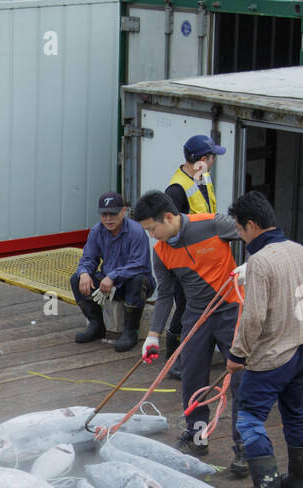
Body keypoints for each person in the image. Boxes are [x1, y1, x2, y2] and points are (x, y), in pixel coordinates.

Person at [132, 190, 246, 470]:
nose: (151, 235)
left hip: (231, 312)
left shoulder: (213, 224)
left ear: (169, 217)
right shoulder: (160, 251)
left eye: (152, 228)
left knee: (242, 383)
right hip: (195, 317)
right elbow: (165, 295)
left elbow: (253, 235)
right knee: (192, 379)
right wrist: (153, 335)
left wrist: (250, 265)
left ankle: (245, 449)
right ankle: (197, 436)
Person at [224, 191, 303, 488]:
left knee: (248, 420)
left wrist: (238, 354)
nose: (238, 235)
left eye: (238, 228)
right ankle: (299, 482)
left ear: (251, 225)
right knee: (294, 414)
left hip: (272, 357)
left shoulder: (260, 262)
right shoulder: (298, 250)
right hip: (302, 347)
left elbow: (253, 317)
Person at [164, 134, 228, 380]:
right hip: (185, 262)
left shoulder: (202, 178)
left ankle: (195, 352)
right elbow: (170, 231)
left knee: (202, 307)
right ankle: (174, 359)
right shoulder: (177, 190)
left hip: (204, 259)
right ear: (202, 159)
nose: (213, 162)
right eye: (212, 157)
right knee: (185, 307)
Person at [70, 192, 154, 351]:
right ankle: (96, 325)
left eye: (113, 213)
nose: (108, 218)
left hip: (134, 282)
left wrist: (113, 276)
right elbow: (88, 258)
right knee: (76, 279)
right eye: (104, 214)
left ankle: (130, 331)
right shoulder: (97, 231)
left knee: (138, 280)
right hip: (109, 282)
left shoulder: (136, 231)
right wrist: (84, 273)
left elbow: (139, 264)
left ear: (123, 211)